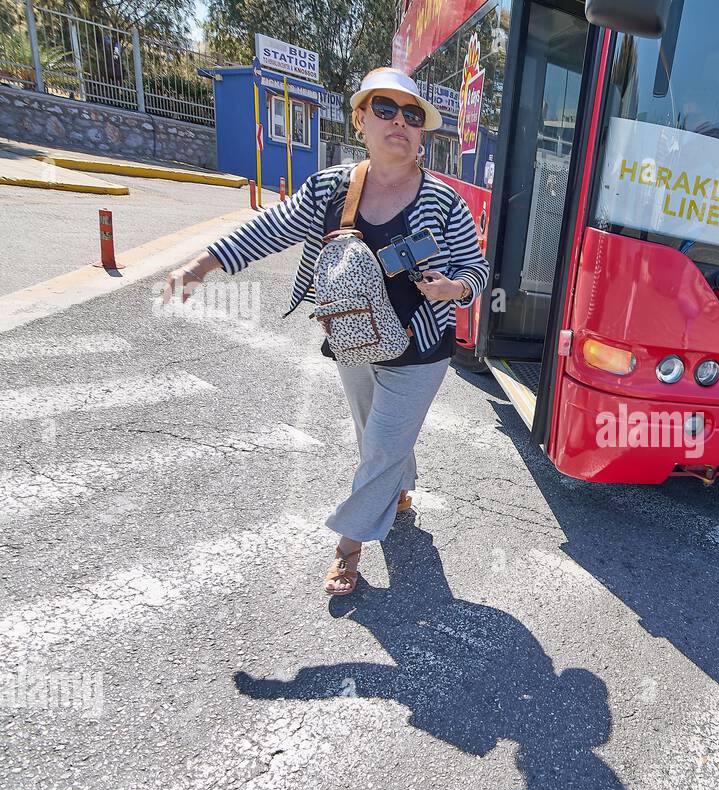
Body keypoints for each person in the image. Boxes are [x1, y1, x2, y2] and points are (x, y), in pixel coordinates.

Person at [160, 67, 489, 597]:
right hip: (353, 340)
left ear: (422, 131)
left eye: (411, 115)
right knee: (373, 437)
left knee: (380, 447)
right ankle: (399, 491)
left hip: (422, 348)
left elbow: (477, 270)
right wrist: (202, 266)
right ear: (361, 119)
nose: (398, 122)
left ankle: (348, 548)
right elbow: (270, 227)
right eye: (385, 109)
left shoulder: (445, 202)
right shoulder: (333, 187)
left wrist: (454, 289)